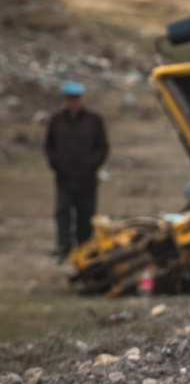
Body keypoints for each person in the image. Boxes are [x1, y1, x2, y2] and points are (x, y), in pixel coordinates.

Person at [44, 81, 109, 259]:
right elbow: (49, 145)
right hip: (64, 177)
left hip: (87, 178)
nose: (73, 102)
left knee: (86, 213)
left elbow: (102, 147)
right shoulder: (57, 120)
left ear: (81, 99)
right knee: (63, 211)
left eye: (76, 98)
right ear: (65, 99)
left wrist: (92, 165)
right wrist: (56, 165)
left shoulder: (94, 120)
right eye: (70, 98)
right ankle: (63, 245)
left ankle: (84, 245)